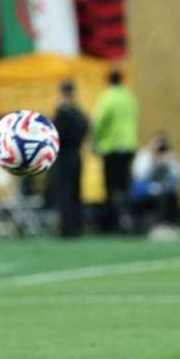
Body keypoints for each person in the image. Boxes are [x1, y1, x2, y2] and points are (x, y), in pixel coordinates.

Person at [93, 69, 139, 233]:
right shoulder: (129, 97)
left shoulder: (108, 97)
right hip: (129, 146)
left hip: (111, 147)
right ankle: (130, 220)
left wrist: (95, 140)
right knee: (125, 185)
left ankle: (115, 223)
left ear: (108, 81)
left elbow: (99, 122)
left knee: (112, 187)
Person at [48, 80, 89, 238]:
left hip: (64, 156)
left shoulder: (62, 112)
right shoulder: (78, 112)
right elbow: (86, 128)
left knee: (64, 192)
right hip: (76, 155)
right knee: (75, 191)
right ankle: (77, 227)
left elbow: (56, 134)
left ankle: (66, 229)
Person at [129, 132, 180, 238]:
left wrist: (169, 163)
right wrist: (153, 160)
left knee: (171, 195)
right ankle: (156, 227)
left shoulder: (169, 157)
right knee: (162, 196)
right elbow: (138, 175)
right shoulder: (144, 155)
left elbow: (177, 178)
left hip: (163, 190)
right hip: (144, 190)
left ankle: (168, 225)